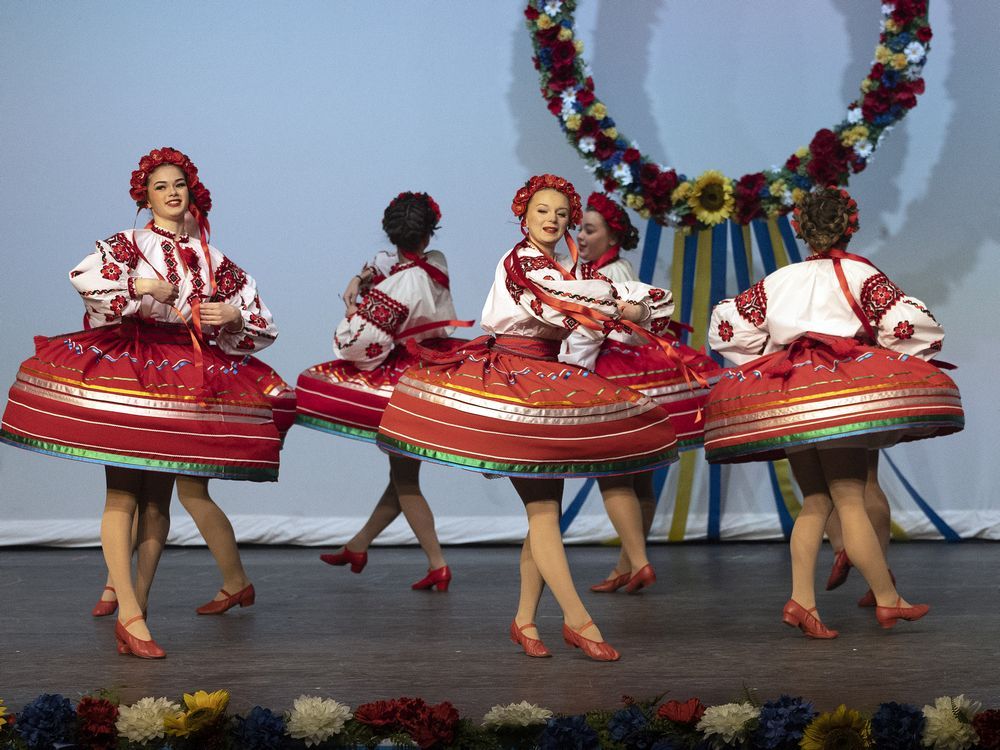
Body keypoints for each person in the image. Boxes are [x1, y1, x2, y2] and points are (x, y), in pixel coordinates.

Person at [375, 174, 679, 661]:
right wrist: (627, 306)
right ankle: (580, 622)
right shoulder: (524, 262)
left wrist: (637, 305)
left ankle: (524, 620)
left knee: (545, 512)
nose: (553, 220)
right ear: (524, 215)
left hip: (543, 373)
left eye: (561, 213)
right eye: (543, 211)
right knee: (542, 512)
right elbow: (569, 302)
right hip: (511, 376)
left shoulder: (562, 265)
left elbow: (604, 295)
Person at [0, 147, 283, 657]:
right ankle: (129, 611)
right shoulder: (129, 244)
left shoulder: (215, 260)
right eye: (161, 186)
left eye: (179, 184)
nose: (172, 193)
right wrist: (140, 283)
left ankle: (139, 608)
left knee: (158, 500)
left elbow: (261, 320)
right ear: (145, 196)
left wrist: (231, 319)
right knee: (123, 493)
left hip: (185, 376)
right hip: (131, 366)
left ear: (191, 191)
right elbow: (86, 281)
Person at [705, 187, 963, 638]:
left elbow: (730, 328)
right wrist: (881, 354)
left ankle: (802, 601)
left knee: (815, 502)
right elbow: (910, 325)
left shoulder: (780, 279)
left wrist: (771, 353)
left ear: (800, 230)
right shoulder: (862, 274)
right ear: (850, 225)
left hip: (791, 396)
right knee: (848, 498)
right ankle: (888, 599)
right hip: (837, 394)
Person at [296, 192, 468, 590]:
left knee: (405, 477)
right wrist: (360, 277)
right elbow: (387, 263)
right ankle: (359, 544)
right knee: (401, 472)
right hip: (439, 366)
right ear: (428, 235)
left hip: (407, 379)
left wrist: (353, 315)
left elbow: (359, 346)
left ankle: (438, 563)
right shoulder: (434, 263)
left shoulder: (401, 285)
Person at [562, 193, 722, 593]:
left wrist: (570, 377)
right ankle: (627, 565)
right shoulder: (614, 268)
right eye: (580, 228)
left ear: (611, 233)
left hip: (614, 374)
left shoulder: (608, 275)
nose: (580, 236)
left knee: (612, 474)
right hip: (635, 371)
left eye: (589, 229)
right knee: (640, 480)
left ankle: (639, 561)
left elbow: (590, 334)